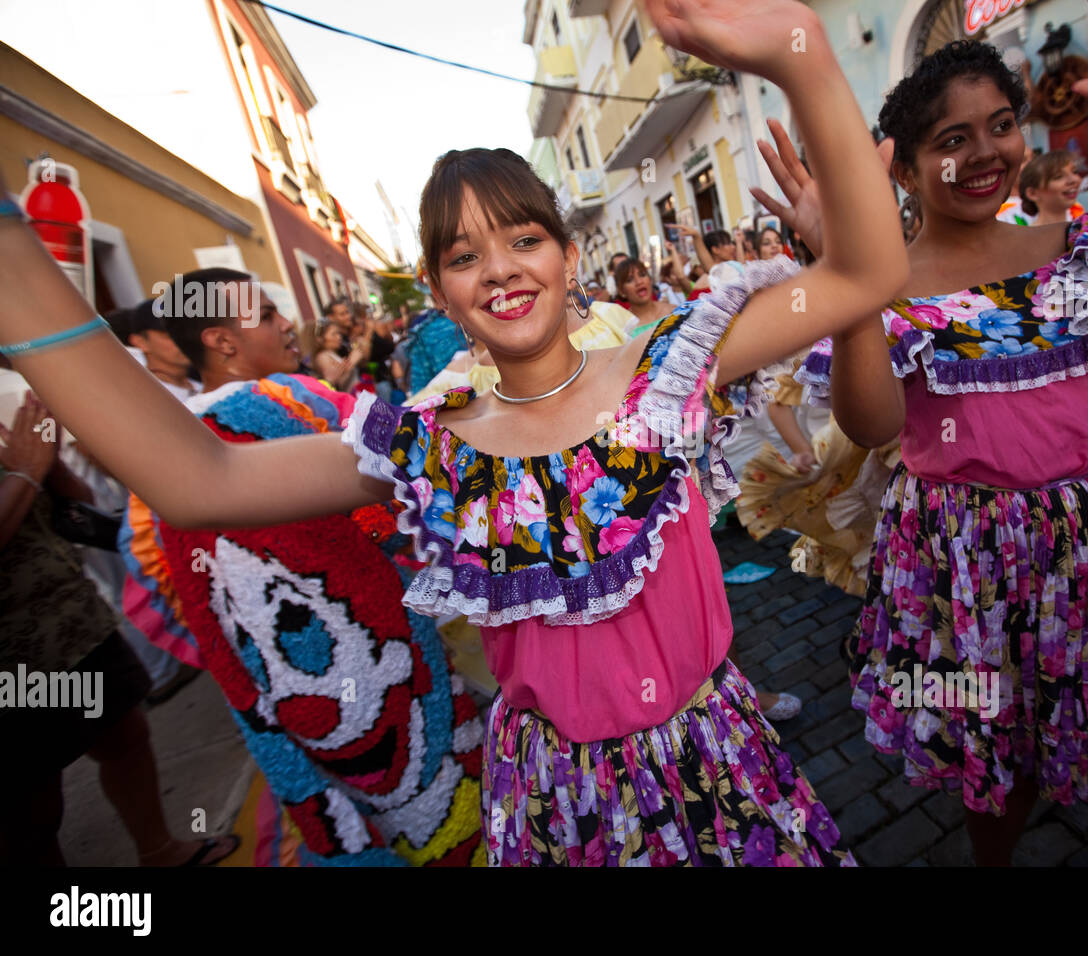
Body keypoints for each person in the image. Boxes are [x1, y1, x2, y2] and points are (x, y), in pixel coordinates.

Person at [0, 0, 909, 866]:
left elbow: (867, 272)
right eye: (465, 256)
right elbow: (199, 480)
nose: (502, 271)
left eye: (523, 239)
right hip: (562, 796)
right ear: (439, 291)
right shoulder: (429, 446)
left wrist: (798, 48)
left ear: (568, 253)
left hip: (716, 754)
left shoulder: (664, 370)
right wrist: (15, 266)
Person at [765, 2, 1088, 867]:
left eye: (1000, 126)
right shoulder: (888, 289)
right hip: (968, 557)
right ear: (902, 171)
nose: (983, 154)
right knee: (999, 755)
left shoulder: (1072, 258)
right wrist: (850, 278)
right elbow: (873, 423)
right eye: (950, 139)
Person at [117, 267, 485, 866]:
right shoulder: (264, 408)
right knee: (448, 815)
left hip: (317, 705)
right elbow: (403, 448)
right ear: (221, 340)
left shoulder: (175, 456)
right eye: (264, 314)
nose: (288, 323)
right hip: (381, 677)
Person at [1, 390, 238, 866]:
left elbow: (80, 506)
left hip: (71, 623)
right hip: (14, 653)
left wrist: (49, 466)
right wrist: (25, 471)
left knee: (123, 736)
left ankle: (159, 850)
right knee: (31, 798)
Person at [1003, 150, 1085, 226]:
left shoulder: (1084, 224)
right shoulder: (1010, 223)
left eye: (1075, 172)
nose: (1074, 180)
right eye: (1058, 177)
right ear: (1032, 193)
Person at [313, 322, 366, 392]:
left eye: (339, 333)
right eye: (334, 334)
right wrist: (352, 362)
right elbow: (337, 385)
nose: (339, 337)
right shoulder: (322, 357)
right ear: (321, 338)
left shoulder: (333, 353)